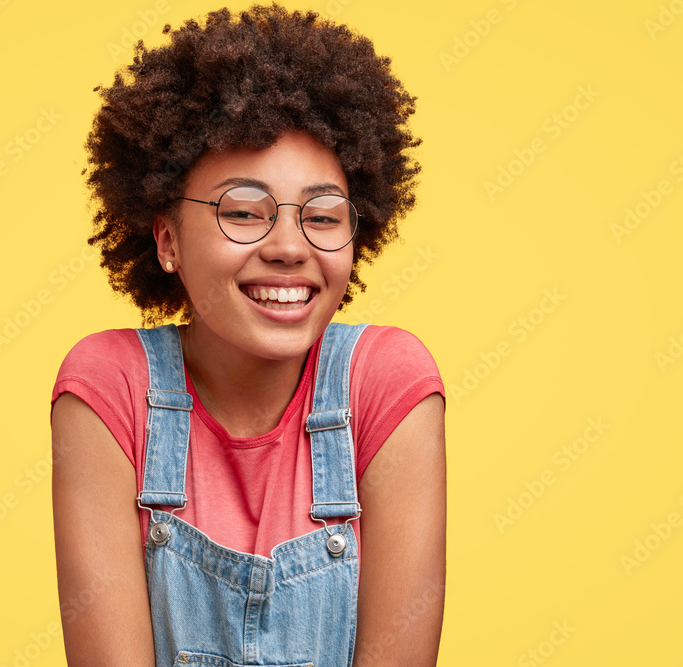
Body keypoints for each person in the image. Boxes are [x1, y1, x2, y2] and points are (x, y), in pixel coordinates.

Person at [50, 5, 446, 665]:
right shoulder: (108, 389)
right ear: (168, 239)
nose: (290, 246)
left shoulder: (386, 383)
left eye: (322, 215)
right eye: (242, 211)